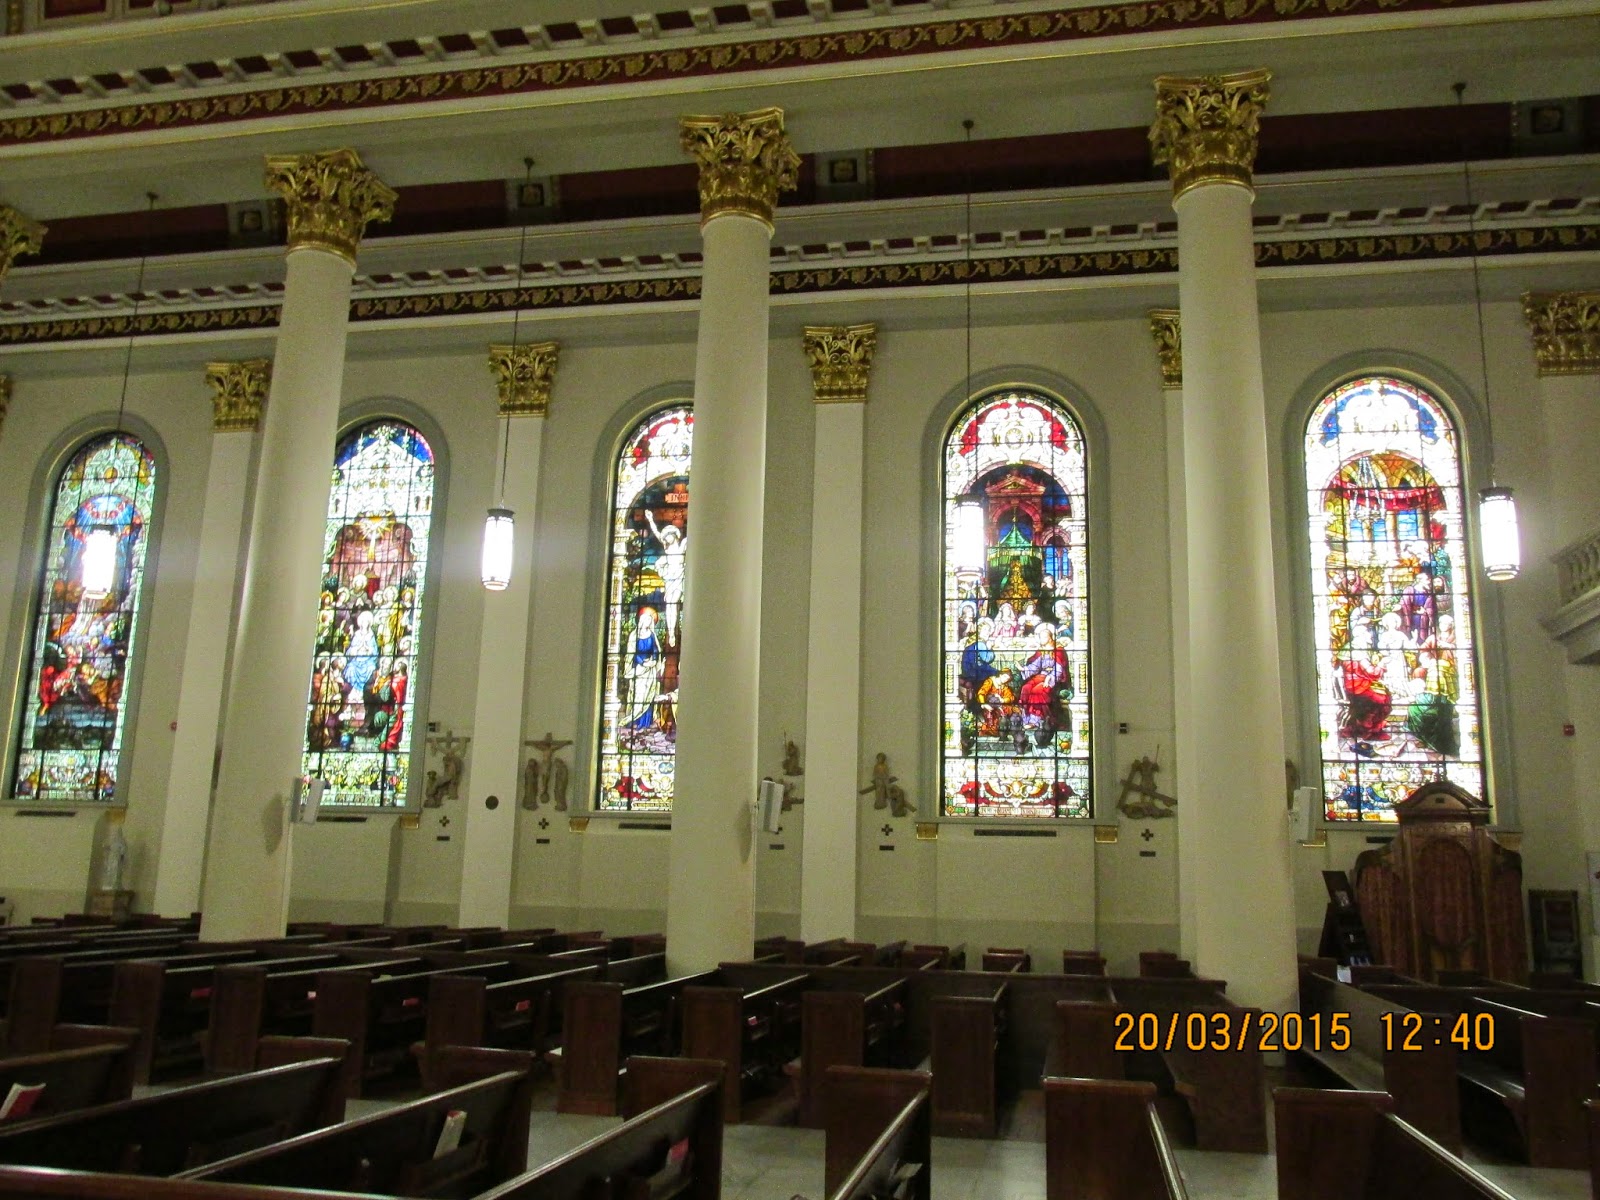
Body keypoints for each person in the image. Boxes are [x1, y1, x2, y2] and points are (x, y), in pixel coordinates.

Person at [621, 606, 665, 744]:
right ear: (640, 621)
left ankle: (646, 723)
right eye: (645, 620)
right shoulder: (634, 635)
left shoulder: (652, 635)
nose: (647, 623)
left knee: (648, 695)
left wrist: (653, 661)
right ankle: (633, 721)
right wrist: (642, 663)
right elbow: (632, 653)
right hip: (639, 669)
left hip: (650, 669)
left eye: (649, 620)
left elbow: (656, 650)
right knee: (638, 695)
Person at [643, 510, 686, 646]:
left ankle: (678, 632)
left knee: (674, 603)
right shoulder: (667, 551)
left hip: (679, 579)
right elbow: (657, 533)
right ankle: (671, 632)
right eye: (665, 536)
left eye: (668, 535)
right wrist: (650, 520)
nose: (666, 538)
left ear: (674, 535)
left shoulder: (683, 546)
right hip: (669, 580)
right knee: (670, 606)